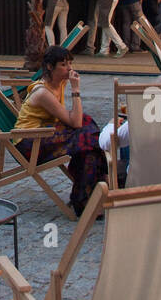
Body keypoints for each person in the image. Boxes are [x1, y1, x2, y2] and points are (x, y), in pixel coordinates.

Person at [13, 46, 108, 216]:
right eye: (63, 65)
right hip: (30, 142)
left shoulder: (59, 82)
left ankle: (86, 195)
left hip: (46, 133)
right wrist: (76, 90)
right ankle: (89, 194)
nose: (69, 68)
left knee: (87, 131)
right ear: (50, 67)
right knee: (87, 139)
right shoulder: (43, 92)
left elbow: (76, 120)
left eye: (70, 63)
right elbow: (75, 122)